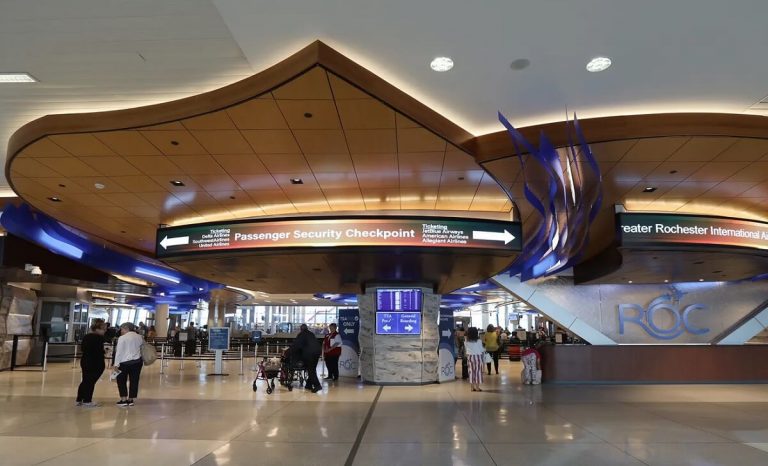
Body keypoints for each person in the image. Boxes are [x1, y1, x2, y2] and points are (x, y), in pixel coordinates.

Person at [76, 319, 107, 407]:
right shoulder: (99, 338)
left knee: (85, 380)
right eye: (103, 329)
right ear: (97, 329)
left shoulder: (86, 337)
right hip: (95, 363)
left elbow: (84, 349)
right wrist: (104, 351)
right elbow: (98, 351)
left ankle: (80, 399)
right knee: (90, 381)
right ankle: (87, 400)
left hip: (85, 361)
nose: (104, 331)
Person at [113, 322, 144, 407]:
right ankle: (131, 400)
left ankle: (123, 399)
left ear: (126, 328)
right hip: (137, 362)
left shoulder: (122, 338)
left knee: (121, 380)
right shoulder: (139, 337)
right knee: (134, 381)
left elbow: (119, 352)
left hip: (124, 363)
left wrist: (116, 364)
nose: (121, 331)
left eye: (122, 329)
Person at [291, 324, 322, 393]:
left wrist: (289, 351)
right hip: (317, 352)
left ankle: (317, 385)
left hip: (310, 353)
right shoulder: (311, 334)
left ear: (301, 329)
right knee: (312, 368)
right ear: (307, 328)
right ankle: (309, 384)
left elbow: (297, 345)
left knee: (311, 370)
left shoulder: (301, 334)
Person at [464, 327, 484, 392]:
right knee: (478, 372)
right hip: (478, 357)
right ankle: (477, 387)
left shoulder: (466, 341)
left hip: (470, 357)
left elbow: (466, 349)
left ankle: (472, 387)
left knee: (471, 371)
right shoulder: (479, 341)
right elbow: (481, 350)